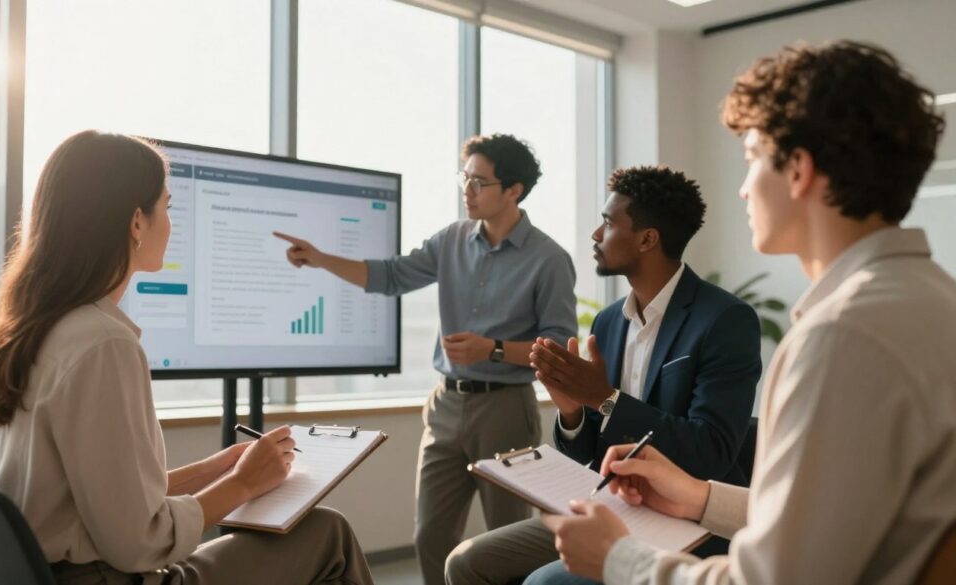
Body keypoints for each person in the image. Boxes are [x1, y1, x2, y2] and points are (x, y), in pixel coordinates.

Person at [538, 40, 955, 585]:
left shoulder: (842, 336)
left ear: (799, 170)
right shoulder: (930, 300)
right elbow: (837, 521)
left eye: (753, 157)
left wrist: (619, 560)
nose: (742, 187)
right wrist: (701, 497)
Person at [0, 130, 374, 585]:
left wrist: (214, 472)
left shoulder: (36, 330)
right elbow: (139, 541)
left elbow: (100, 499)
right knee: (328, 534)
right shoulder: (105, 344)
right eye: (167, 207)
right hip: (108, 579)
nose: (171, 223)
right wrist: (243, 485)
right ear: (136, 223)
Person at [274, 133, 578, 585]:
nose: (467, 190)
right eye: (465, 178)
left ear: (513, 190)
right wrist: (320, 259)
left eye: (480, 182)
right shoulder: (451, 240)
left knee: (507, 537)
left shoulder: (549, 258)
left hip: (505, 408)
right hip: (445, 407)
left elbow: (558, 347)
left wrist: (490, 348)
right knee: (431, 534)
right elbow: (390, 276)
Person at [445, 166, 761, 584]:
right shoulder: (609, 322)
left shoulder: (723, 320)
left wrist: (605, 399)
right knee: (466, 561)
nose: (596, 234)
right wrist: (573, 414)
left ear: (648, 239)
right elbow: (590, 453)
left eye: (609, 223)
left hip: (688, 520)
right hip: (614, 505)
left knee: (543, 582)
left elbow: (711, 451)